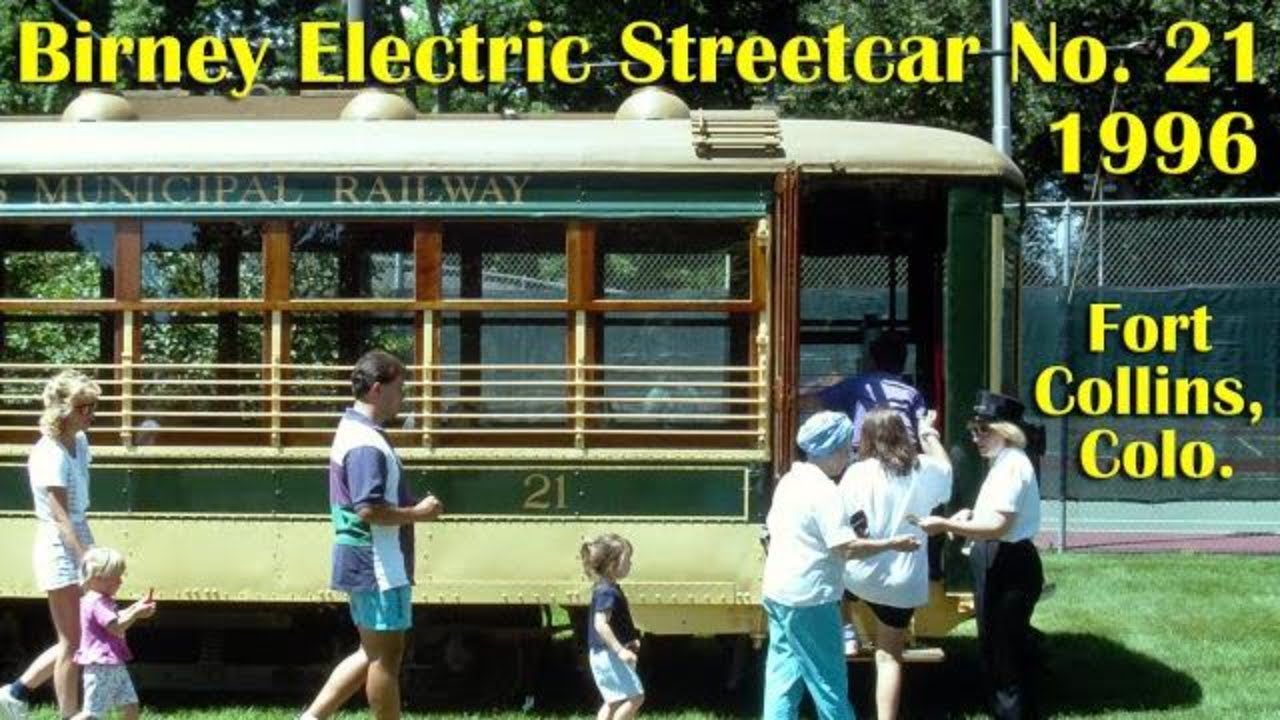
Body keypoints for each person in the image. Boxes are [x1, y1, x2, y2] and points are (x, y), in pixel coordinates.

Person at [300, 350, 444, 720]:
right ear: (378, 390)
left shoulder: (358, 433)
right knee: (386, 657)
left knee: (370, 651)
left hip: (368, 559)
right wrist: (419, 514)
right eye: (400, 389)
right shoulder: (365, 442)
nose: (404, 398)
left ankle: (311, 718)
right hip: (377, 562)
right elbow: (369, 509)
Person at [761, 411, 920, 720]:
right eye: (848, 448)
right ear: (834, 450)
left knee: (782, 677)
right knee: (828, 682)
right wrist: (892, 543)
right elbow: (845, 547)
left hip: (777, 592)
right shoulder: (825, 492)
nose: (850, 455)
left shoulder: (790, 480)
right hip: (811, 598)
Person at [918, 391, 1043, 720]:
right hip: (998, 559)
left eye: (983, 430)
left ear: (1006, 431)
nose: (976, 438)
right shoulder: (1004, 463)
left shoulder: (1012, 466)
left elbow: (1000, 526)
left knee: (1004, 656)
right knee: (996, 648)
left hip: (1007, 562)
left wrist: (945, 523)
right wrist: (969, 517)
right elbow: (995, 516)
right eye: (973, 430)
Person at [1, 370, 102, 720]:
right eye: (82, 407)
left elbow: (77, 513)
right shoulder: (49, 454)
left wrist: (89, 549)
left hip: (79, 537)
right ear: (61, 408)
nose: (90, 413)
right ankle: (69, 715)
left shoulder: (81, 442)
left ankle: (13, 695)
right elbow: (60, 518)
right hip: (58, 547)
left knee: (78, 639)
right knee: (73, 644)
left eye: (93, 406)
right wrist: (85, 559)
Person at [839, 407, 952, 720]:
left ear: (866, 438)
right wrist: (929, 433)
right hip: (902, 581)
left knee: (835, 581)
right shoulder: (923, 469)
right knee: (889, 657)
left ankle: (846, 631)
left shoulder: (856, 472)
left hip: (860, 575)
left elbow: (844, 522)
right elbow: (947, 470)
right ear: (903, 436)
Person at [70, 547, 156, 720]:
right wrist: (137, 614)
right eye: (116, 577)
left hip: (112, 664)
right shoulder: (96, 602)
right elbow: (116, 627)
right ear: (96, 578)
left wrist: (135, 607)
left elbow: (114, 618)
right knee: (92, 714)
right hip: (101, 666)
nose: (120, 582)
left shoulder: (99, 600)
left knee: (130, 704)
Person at [801, 330, 927, 447]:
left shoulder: (857, 385)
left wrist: (820, 382)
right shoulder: (912, 393)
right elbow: (922, 429)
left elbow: (812, 403)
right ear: (903, 363)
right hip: (903, 453)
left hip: (865, 451)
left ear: (872, 361)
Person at [580, 533, 643, 720]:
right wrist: (620, 650)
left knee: (613, 701)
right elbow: (601, 624)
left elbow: (616, 622)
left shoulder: (606, 588)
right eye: (627, 559)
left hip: (602, 654)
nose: (630, 564)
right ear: (611, 564)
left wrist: (629, 642)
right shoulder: (607, 592)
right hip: (608, 654)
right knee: (635, 697)